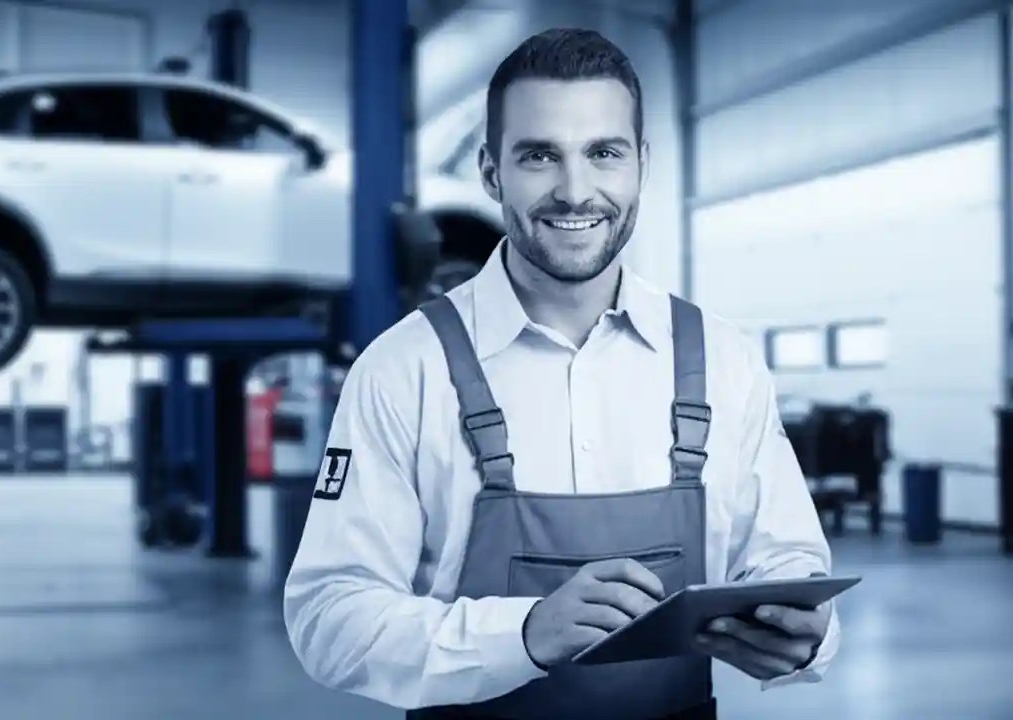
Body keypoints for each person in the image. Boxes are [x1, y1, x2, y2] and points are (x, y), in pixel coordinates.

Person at [283, 27, 840, 720]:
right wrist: (523, 634)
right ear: (492, 172)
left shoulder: (724, 361)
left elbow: (788, 561)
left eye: (603, 153)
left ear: (640, 162)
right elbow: (327, 619)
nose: (576, 192)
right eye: (540, 156)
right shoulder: (404, 370)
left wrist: (806, 639)